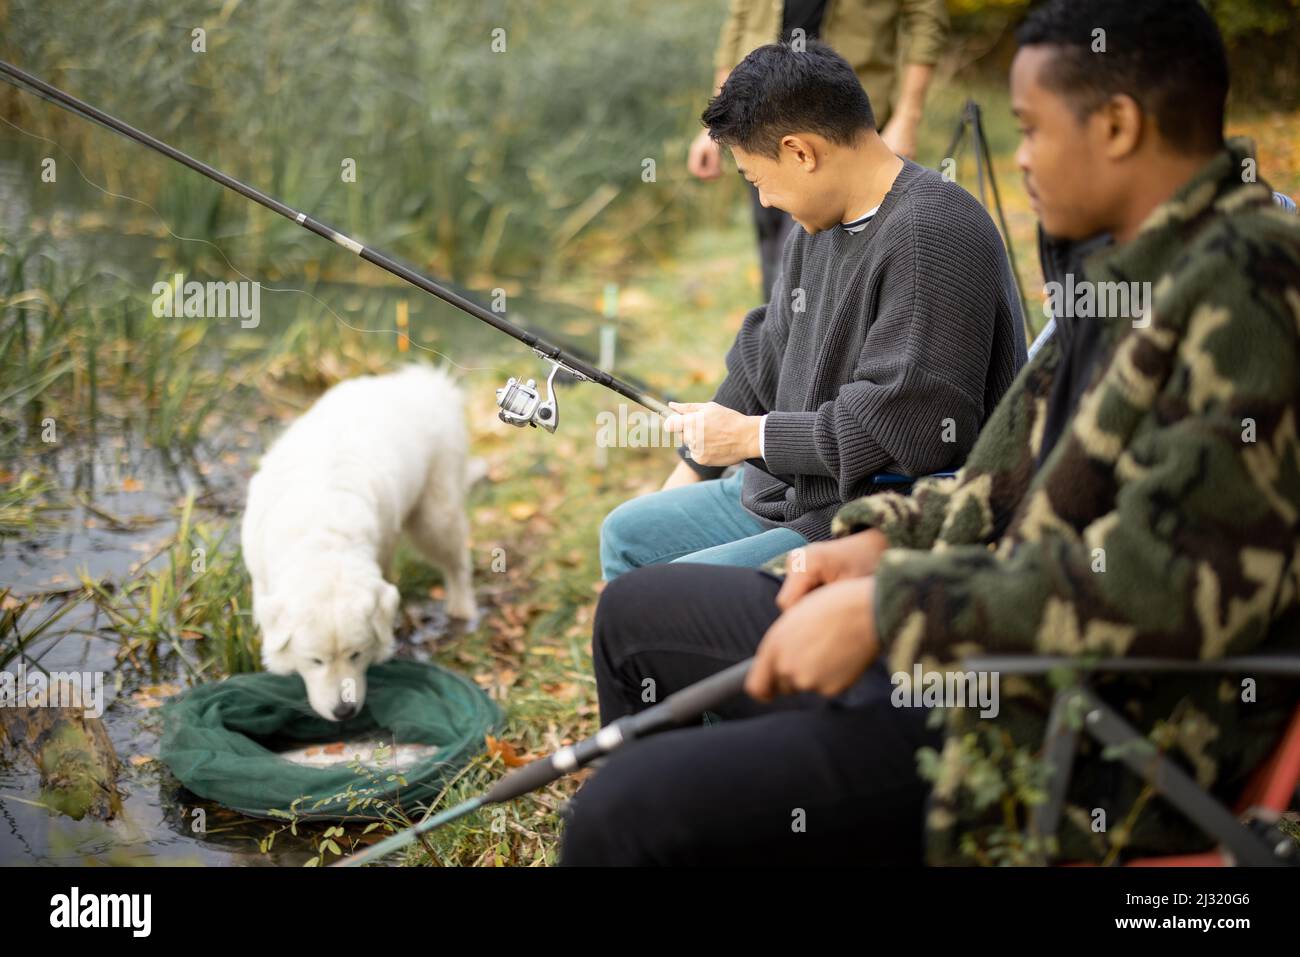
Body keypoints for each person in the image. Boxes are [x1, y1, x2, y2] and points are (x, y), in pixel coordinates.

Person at [563, 0, 1300, 866]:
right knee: (636, 612)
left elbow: (1167, 588)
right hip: (983, 648)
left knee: (621, 813)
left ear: (1117, 124)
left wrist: (893, 605)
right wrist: (878, 543)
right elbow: (1007, 484)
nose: (1017, 157)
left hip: (1064, 732)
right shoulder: (1128, 271)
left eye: (1029, 128)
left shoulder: (1247, 290)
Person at [599, 41, 1025, 581]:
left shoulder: (932, 233)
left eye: (757, 180)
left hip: (867, 519)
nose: (765, 202)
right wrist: (696, 462)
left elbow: (912, 426)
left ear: (801, 152)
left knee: (664, 597)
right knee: (627, 534)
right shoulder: (819, 222)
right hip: (790, 490)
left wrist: (753, 438)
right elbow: (768, 352)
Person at [689, 0, 949, 299]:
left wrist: (908, 116)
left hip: (838, 118)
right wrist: (720, 126)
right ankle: (781, 335)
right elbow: (739, 22)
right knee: (775, 250)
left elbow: (926, 17)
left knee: (818, 261)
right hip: (754, 121)